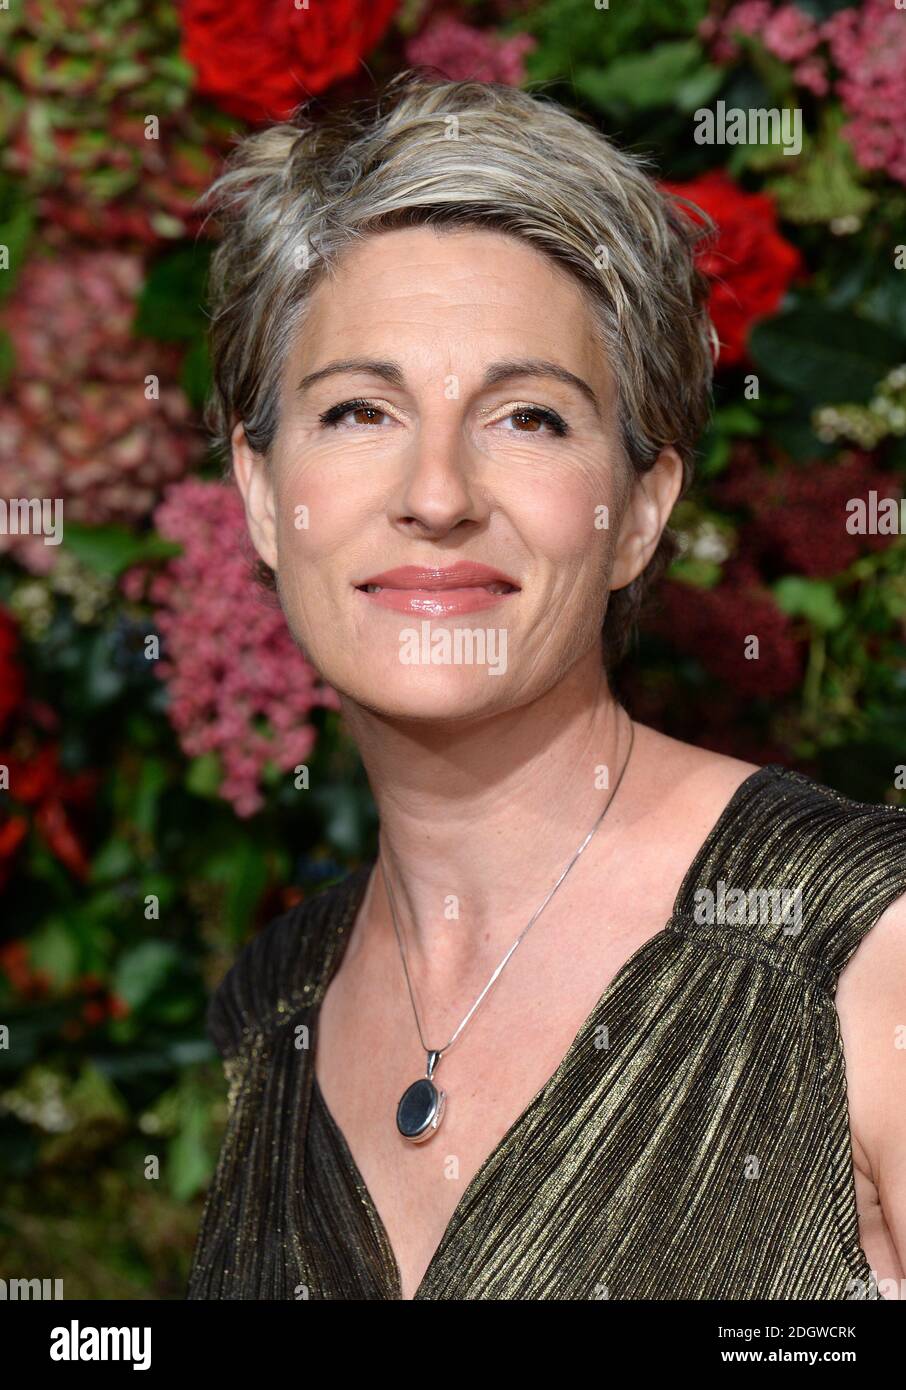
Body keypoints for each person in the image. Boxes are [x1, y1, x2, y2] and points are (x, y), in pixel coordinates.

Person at [186, 73, 906, 1301]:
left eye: (528, 418)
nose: (437, 492)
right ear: (262, 492)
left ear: (639, 512)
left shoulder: (861, 949)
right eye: (359, 409)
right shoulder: (272, 1008)